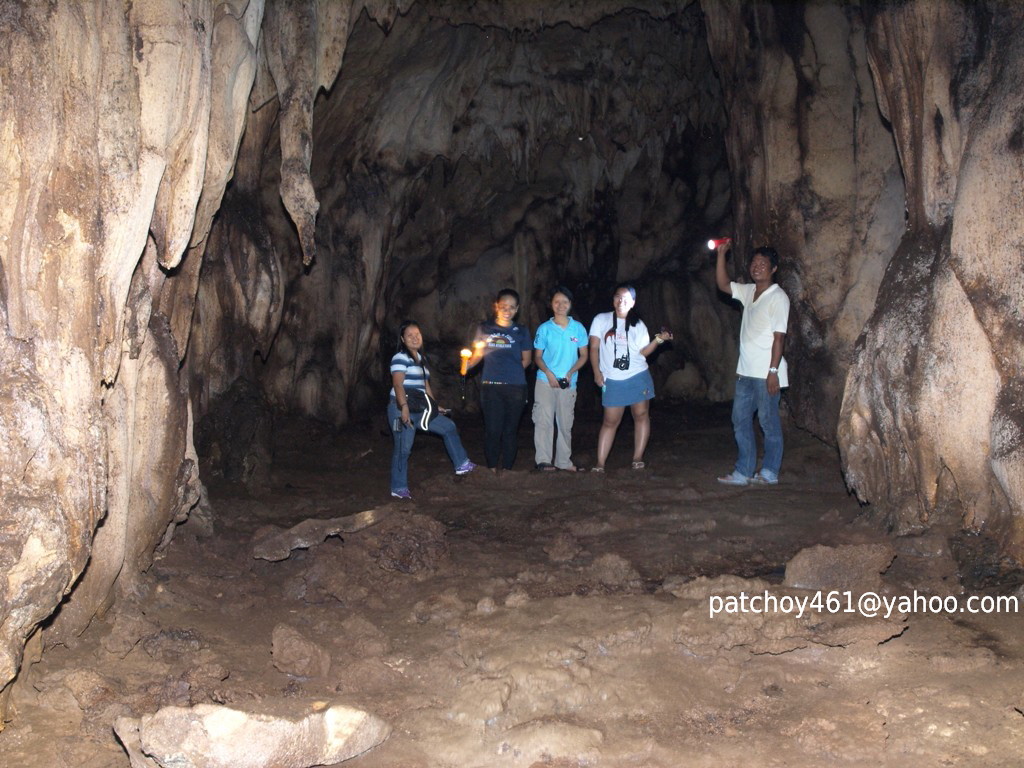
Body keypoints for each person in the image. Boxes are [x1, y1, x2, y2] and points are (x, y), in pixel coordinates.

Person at [714, 243, 790, 486]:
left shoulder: (778, 297)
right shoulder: (749, 292)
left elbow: (779, 338)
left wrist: (773, 372)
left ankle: (770, 472)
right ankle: (744, 470)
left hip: (766, 373)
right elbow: (723, 285)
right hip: (745, 372)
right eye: (754, 263)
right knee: (740, 420)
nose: (757, 267)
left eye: (763, 264)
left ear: (773, 268)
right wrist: (721, 255)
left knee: (768, 423)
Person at [588, 284, 672, 471]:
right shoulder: (601, 320)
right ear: (613, 299)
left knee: (641, 415)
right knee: (610, 421)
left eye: (626, 299)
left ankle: (637, 457)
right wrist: (596, 371)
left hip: (637, 375)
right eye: (618, 297)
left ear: (633, 303)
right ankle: (600, 463)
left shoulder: (638, 324)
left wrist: (658, 340)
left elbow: (643, 352)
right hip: (612, 378)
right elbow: (593, 347)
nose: (621, 301)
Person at [388, 321, 476, 499]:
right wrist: (403, 408)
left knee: (448, 426)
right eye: (410, 335)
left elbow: (425, 386)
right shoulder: (400, 357)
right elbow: (397, 383)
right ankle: (398, 488)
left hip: (420, 408)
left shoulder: (421, 360)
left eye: (417, 334)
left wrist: (435, 407)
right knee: (403, 448)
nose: (415, 338)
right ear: (403, 340)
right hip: (400, 407)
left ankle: (461, 464)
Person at [466, 288, 533, 474]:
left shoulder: (521, 331)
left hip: (515, 387)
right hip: (491, 386)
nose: (507, 310)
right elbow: (478, 354)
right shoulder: (485, 328)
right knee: (493, 430)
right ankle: (492, 468)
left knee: (510, 431)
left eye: (511, 307)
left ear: (517, 309)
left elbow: (526, 359)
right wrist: (467, 365)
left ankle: (508, 470)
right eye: (503, 306)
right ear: (497, 306)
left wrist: (512, 374)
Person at [532, 286, 589, 471]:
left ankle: (563, 462)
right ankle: (544, 461)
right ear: (551, 305)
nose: (561, 305)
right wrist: (549, 373)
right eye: (557, 302)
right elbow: (537, 357)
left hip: (568, 382)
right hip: (545, 380)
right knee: (544, 420)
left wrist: (571, 372)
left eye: (565, 302)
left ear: (570, 304)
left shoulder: (578, 329)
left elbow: (584, 356)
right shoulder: (544, 328)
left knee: (565, 423)